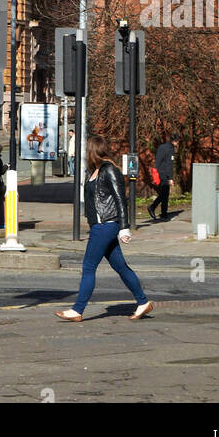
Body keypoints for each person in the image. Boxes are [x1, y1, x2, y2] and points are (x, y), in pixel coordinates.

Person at [56, 133, 152, 322]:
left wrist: (124, 227)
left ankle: (77, 309)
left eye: (86, 149)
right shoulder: (93, 171)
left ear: (93, 151)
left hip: (105, 225)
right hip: (99, 225)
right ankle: (143, 302)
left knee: (89, 266)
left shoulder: (109, 170)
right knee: (121, 267)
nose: (84, 152)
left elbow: (120, 200)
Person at [149, 132, 177, 222]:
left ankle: (163, 213)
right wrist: (170, 178)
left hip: (159, 173)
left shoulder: (162, 147)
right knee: (165, 194)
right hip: (165, 174)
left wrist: (156, 173)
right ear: (175, 141)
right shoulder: (170, 149)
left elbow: (158, 161)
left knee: (164, 194)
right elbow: (169, 164)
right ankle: (153, 208)